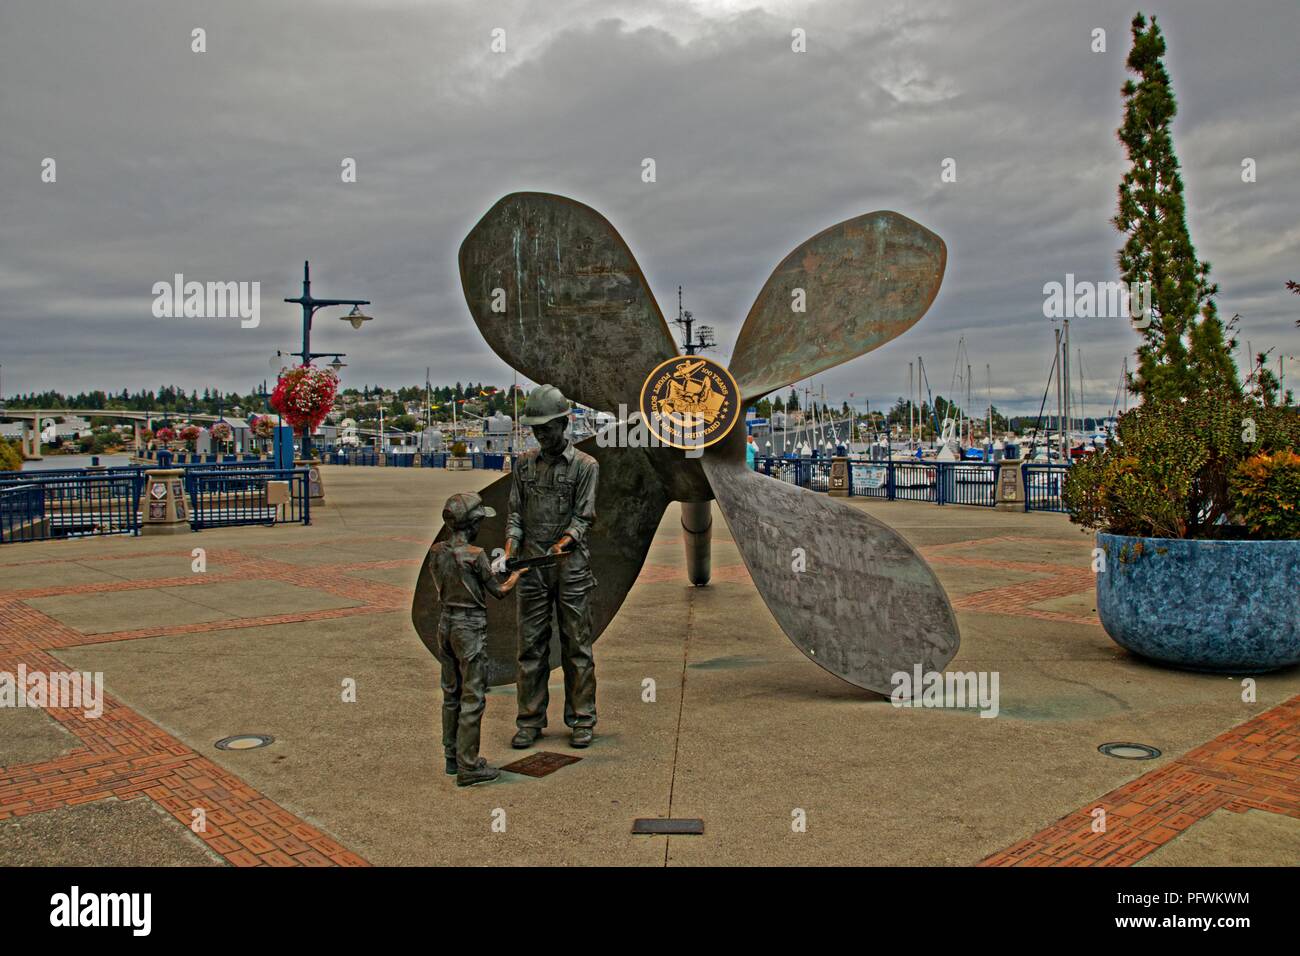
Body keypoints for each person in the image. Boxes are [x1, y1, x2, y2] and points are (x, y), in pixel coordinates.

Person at [491, 384, 600, 749]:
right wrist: (511, 550)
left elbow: (583, 518)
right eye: (536, 429)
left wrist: (561, 545)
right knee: (530, 645)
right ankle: (530, 719)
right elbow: (515, 516)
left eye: (547, 428)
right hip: (532, 569)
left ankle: (582, 718)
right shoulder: (523, 466)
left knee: (577, 644)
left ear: (564, 424)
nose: (541, 434)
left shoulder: (586, 466)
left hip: (570, 567)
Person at [428, 492, 521, 787]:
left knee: (450, 693)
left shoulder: (436, 552)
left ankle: (452, 758)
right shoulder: (475, 555)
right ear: (472, 523)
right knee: (473, 696)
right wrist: (517, 574)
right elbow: (499, 591)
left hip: (445, 624)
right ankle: (470, 766)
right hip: (470, 630)